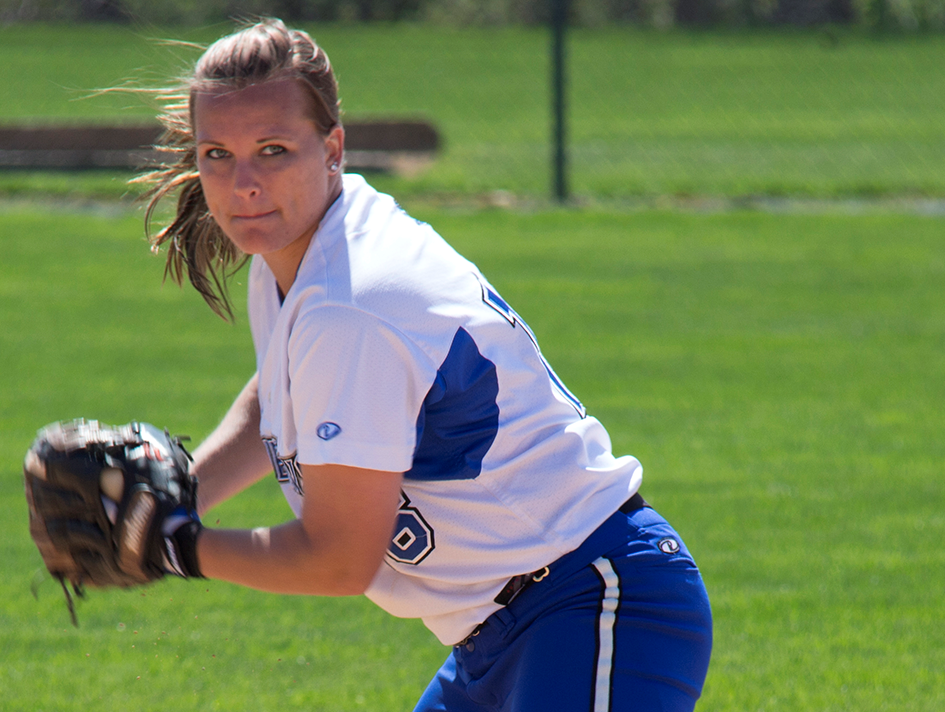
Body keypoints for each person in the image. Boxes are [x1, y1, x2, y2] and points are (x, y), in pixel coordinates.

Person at [138, 17, 713, 712]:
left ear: (333, 148)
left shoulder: (348, 299)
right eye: (217, 154)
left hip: (592, 602)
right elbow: (286, 393)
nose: (244, 183)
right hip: (498, 631)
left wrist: (171, 546)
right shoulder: (308, 252)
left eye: (273, 149)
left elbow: (339, 557)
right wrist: (180, 496)